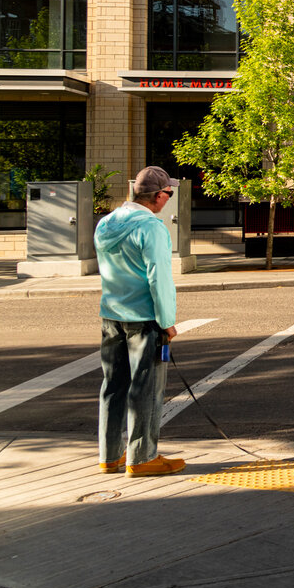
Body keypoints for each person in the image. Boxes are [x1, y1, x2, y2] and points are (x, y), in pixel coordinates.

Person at [96, 166, 185, 477]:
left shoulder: (106, 224)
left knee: (112, 386)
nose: (169, 199)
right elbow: (158, 278)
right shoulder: (152, 228)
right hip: (144, 319)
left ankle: (110, 456)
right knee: (145, 389)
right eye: (168, 193)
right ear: (158, 195)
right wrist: (167, 321)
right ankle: (142, 457)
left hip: (111, 314)